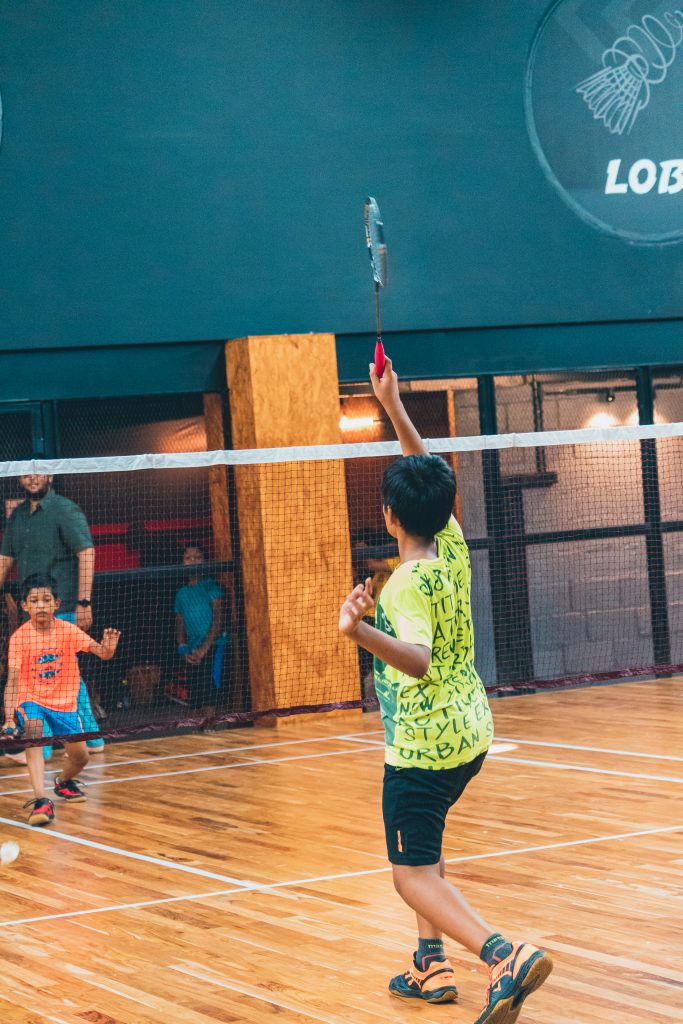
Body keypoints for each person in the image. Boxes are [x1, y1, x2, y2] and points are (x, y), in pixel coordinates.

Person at [338, 358, 553, 1023]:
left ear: (386, 516)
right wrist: (394, 406)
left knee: (410, 872)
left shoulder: (402, 586)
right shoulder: (451, 545)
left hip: (422, 747)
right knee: (424, 852)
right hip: (470, 733)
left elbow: (417, 660)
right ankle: (428, 964)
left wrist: (359, 630)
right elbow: (427, 472)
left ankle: (500, 955)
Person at [3, 574, 120, 826]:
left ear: (57, 603)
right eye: (34, 601)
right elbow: (12, 680)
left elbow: (102, 653)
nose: (41, 605)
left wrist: (108, 649)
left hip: (65, 703)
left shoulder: (68, 630)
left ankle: (63, 783)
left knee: (81, 758)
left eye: (47, 600)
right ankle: (40, 800)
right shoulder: (19, 639)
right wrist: (9, 716)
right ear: (25, 606)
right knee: (34, 732)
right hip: (31, 698)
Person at [0, 472, 104, 752]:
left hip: (64, 607)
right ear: (19, 479)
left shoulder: (65, 509)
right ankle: (90, 739)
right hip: (32, 611)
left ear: (50, 474)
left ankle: (42, 747)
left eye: (38, 472)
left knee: (56, 676)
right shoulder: (18, 516)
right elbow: (5, 558)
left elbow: (86, 552)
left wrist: (84, 601)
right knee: (64, 677)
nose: (32, 479)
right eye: (26, 474)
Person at [173, 545, 227, 711]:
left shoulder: (210, 586)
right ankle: (201, 732)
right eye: (188, 558)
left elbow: (219, 617)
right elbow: (179, 624)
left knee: (209, 693)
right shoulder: (181, 593)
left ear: (205, 561)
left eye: (197, 557)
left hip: (214, 646)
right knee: (195, 699)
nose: (193, 561)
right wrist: (184, 649)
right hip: (193, 651)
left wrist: (205, 648)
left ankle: (213, 731)